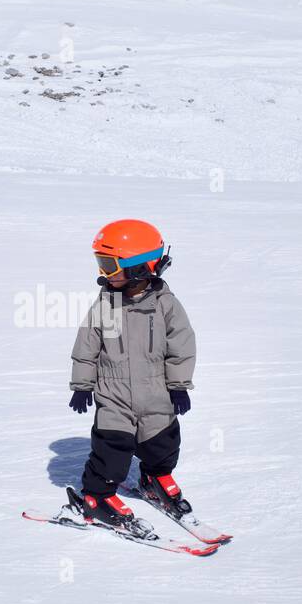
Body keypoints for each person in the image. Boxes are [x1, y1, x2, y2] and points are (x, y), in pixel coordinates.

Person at [68, 219, 196, 530]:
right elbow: (88, 344)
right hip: (114, 394)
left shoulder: (165, 305)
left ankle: (155, 477)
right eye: (101, 264)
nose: (103, 273)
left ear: (139, 267)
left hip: (156, 391)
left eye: (110, 265)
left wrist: (178, 385)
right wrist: (83, 385)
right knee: (111, 450)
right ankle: (96, 497)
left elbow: (182, 344)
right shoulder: (108, 304)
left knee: (162, 442)